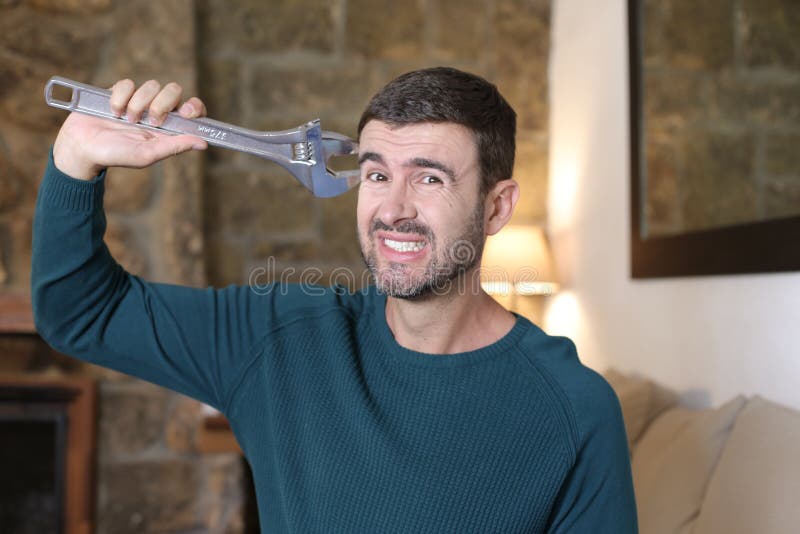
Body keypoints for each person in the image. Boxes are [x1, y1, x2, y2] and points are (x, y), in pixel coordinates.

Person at [32, 67, 637, 532]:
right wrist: (75, 158)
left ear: (497, 206)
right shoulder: (281, 337)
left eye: (429, 178)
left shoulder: (575, 411)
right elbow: (82, 313)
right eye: (376, 174)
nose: (393, 208)